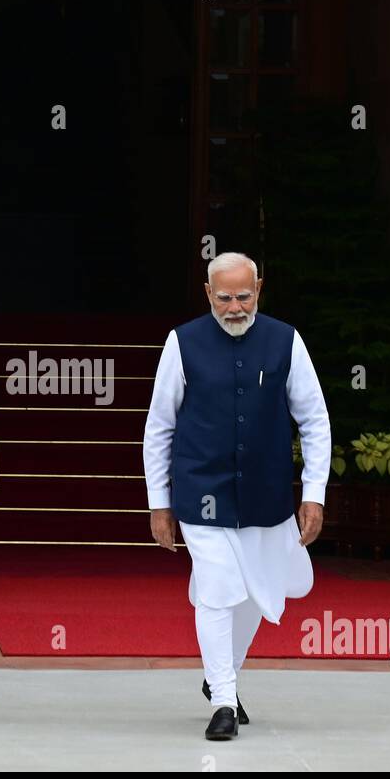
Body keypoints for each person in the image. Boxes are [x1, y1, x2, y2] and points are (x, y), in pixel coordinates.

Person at [143, 251, 331, 740]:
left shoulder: (286, 339)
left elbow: (314, 420)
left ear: (259, 289)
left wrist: (314, 493)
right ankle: (224, 700)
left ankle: (218, 676)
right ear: (208, 293)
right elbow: (159, 426)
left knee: (255, 595)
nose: (234, 306)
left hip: (267, 494)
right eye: (224, 297)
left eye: (243, 296)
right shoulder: (181, 342)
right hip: (201, 491)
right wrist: (159, 503)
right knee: (218, 587)